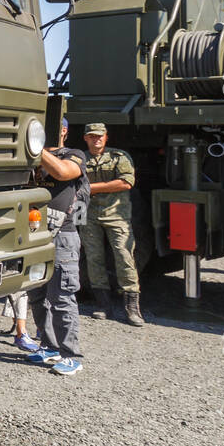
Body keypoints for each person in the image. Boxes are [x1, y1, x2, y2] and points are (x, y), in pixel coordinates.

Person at [26, 119, 90, 376]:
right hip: (35, 236)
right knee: (37, 295)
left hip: (63, 235)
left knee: (62, 296)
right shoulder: (32, 158)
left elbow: (63, 173)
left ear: (64, 130)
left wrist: (34, 147)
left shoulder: (74, 155)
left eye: (59, 128)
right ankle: (49, 346)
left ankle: (71, 355)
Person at [78, 123, 143, 326]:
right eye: (91, 136)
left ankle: (132, 308)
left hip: (117, 215)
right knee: (93, 258)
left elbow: (126, 182)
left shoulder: (119, 157)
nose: (96, 139)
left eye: (99, 136)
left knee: (124, 257)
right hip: (88, 215)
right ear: (85, 138)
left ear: (106, 137)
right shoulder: (80, 159)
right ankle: (103, 305)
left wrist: (91, 188)